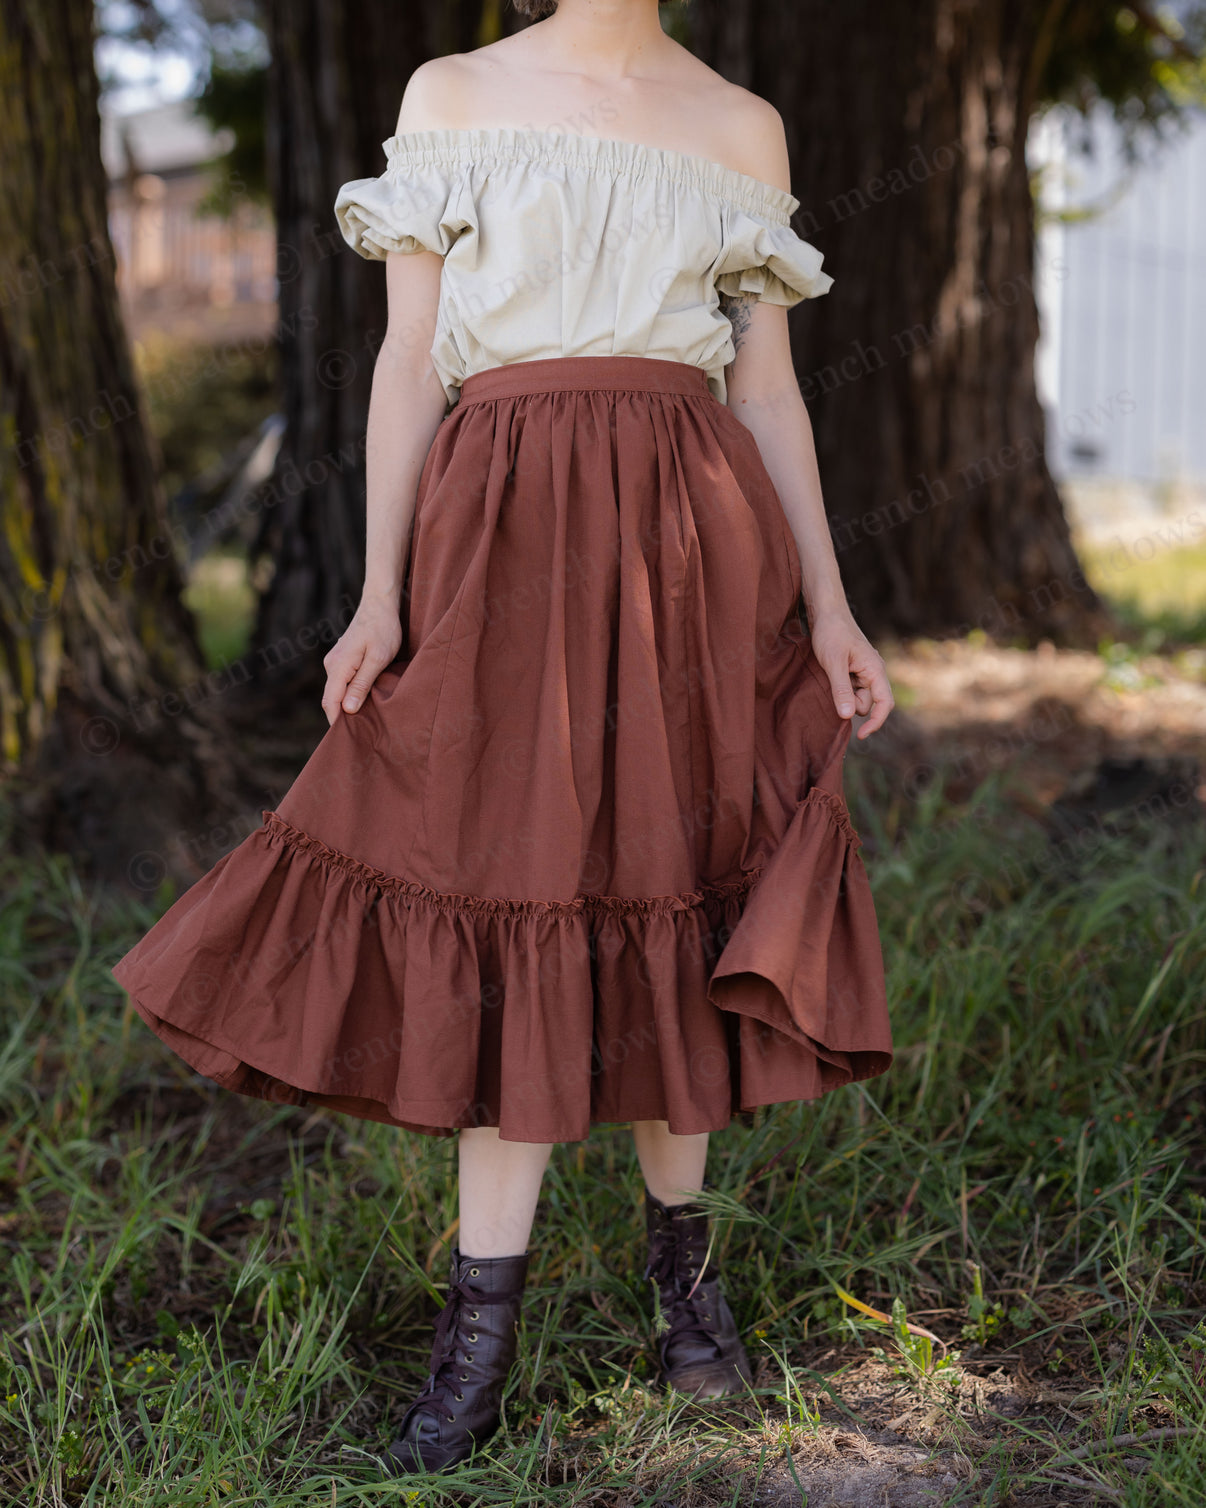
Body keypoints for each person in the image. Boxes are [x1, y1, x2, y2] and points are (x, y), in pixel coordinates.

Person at [111, 0, 896, 1480]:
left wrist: (833, 604)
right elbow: (408, 363)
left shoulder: (738, 123)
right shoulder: (455, 91)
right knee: (511, 869)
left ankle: (686, 1295)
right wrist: (380, 593)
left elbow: (769, 389)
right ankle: (477, 1344)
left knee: (691, 872)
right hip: (503, 522)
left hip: (690, 535)